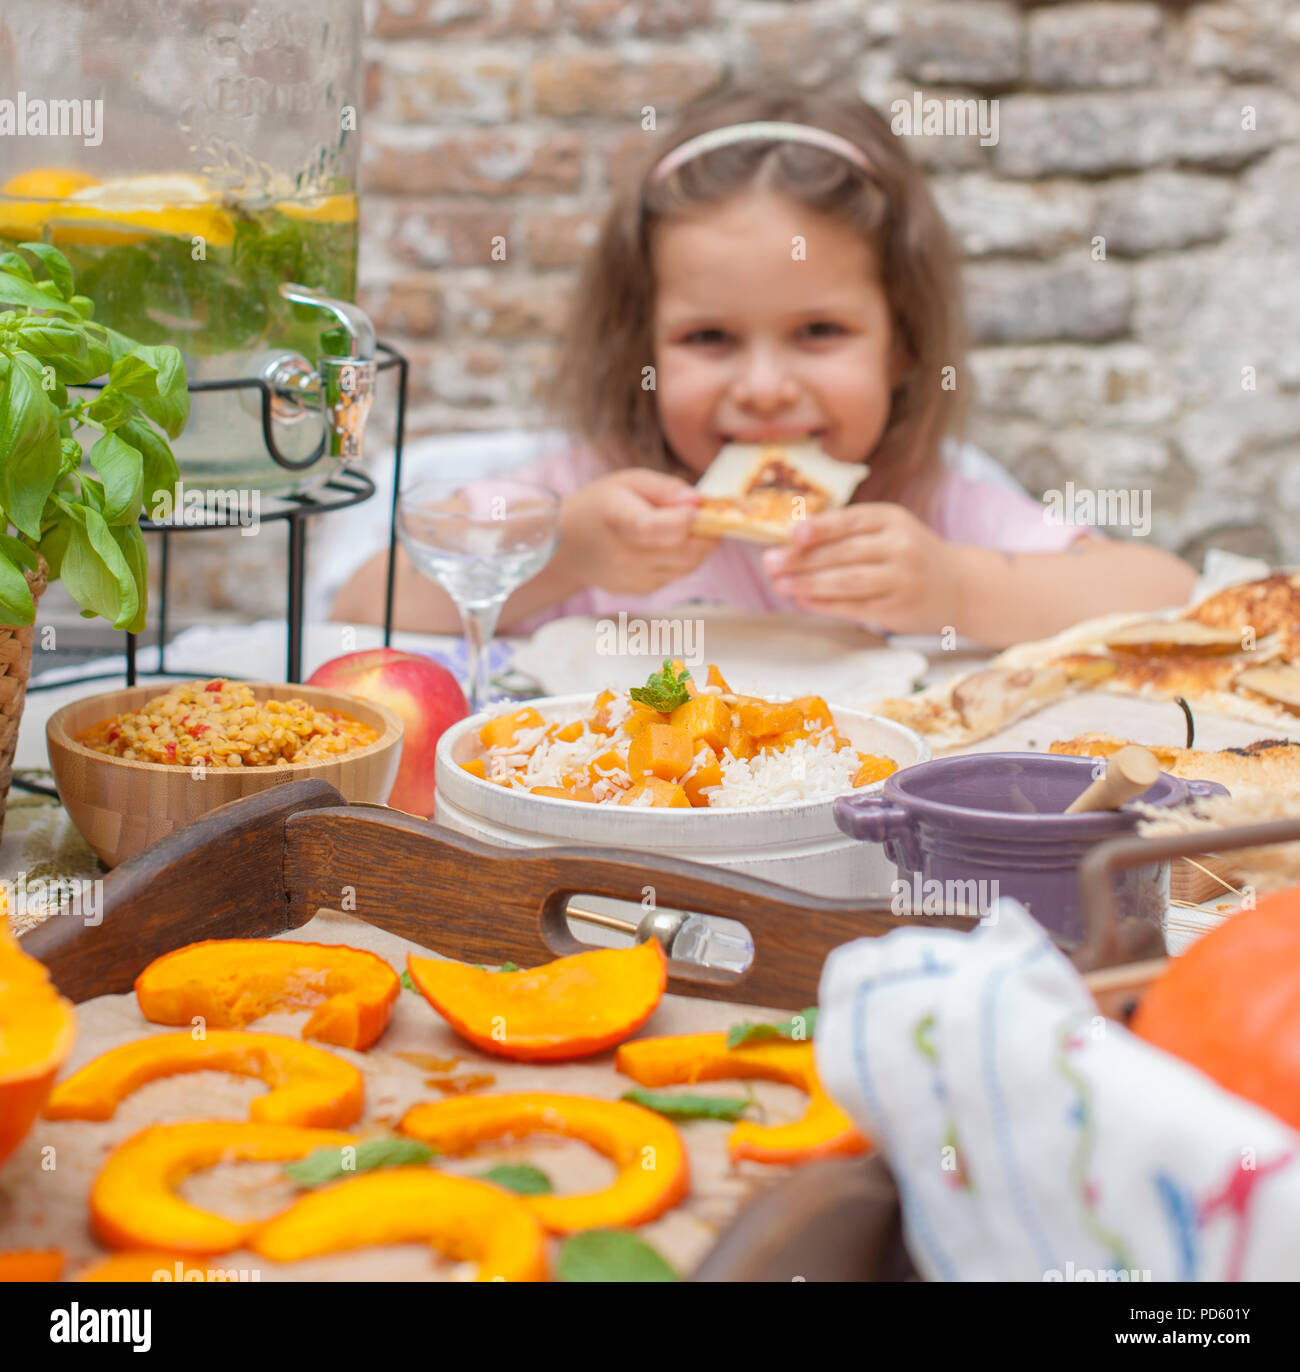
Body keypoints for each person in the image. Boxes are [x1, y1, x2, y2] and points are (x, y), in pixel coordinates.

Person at [333, 88, 1195, 649]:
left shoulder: (934, 501)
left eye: (819, 331)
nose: (765, 387)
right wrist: (564, 554)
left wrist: (956, 586)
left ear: (901, 346)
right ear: (643, 349)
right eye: (709, 339)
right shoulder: (598, 493)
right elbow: (363, 607)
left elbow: (1172, 599)